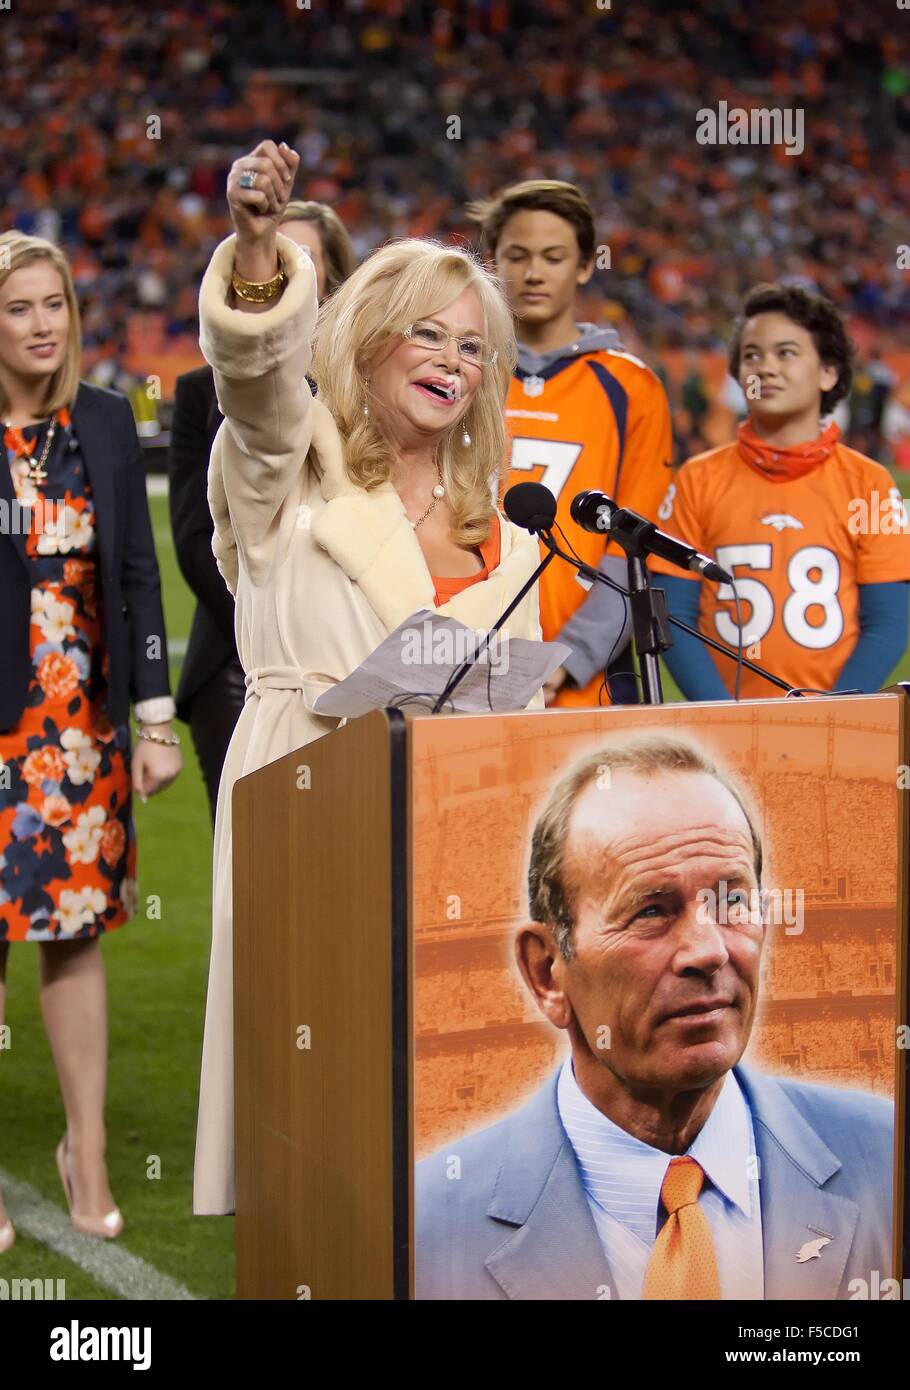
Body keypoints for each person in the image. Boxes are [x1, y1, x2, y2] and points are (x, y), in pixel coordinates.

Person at [192, 141, 544, 1215]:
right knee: (321, 1107)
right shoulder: (290, 463)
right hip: (309, 787)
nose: (450, 360)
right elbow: (253, 380)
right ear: (368, 338)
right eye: (426, 334)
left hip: (462, 825)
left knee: (454, 1110)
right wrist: (257, 252)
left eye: (473, 347)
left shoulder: (508, 524)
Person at [416, 736, 893, 1300]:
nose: (708, 950)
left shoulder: (887, 1159)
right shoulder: (426, 1229)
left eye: (732, 901)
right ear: (547, 971)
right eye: (650, 911)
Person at [0, 231, 181, 1251]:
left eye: (53, 306)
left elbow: (141, 579)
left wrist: (152, 717)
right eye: (20, 307)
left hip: (79, 731)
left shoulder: (107, 421)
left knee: (73, 936)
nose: (40, 325)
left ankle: (89, 1150)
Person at [168, 201, 356, 822]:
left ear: (330, 282)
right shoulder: (204, 390)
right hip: (236, 660)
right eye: (269, 263)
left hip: (349, 671)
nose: (280, 277)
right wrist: (270, 625)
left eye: (298, 262)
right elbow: (197, 538)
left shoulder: (367, 390)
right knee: (253, 876)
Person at [467, 181, 673, 707]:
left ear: (584, 266)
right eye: (517, 256)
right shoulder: (455, 370)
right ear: (490, 264)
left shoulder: (631, 387)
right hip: (459, 663)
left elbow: (635, 549)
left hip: (586, 682)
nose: (534, 272)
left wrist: (570, 656)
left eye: (554, 257)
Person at [652, 284, 910, 700]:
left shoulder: (870, 483)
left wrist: (831, 714)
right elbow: (673, 614)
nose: (765, 368)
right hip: (726, 731)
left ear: (829, 371)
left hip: (832, 726)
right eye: (752, 355)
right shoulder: (695, 480)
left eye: (786, 353)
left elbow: (888, 624)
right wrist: (723, 717)